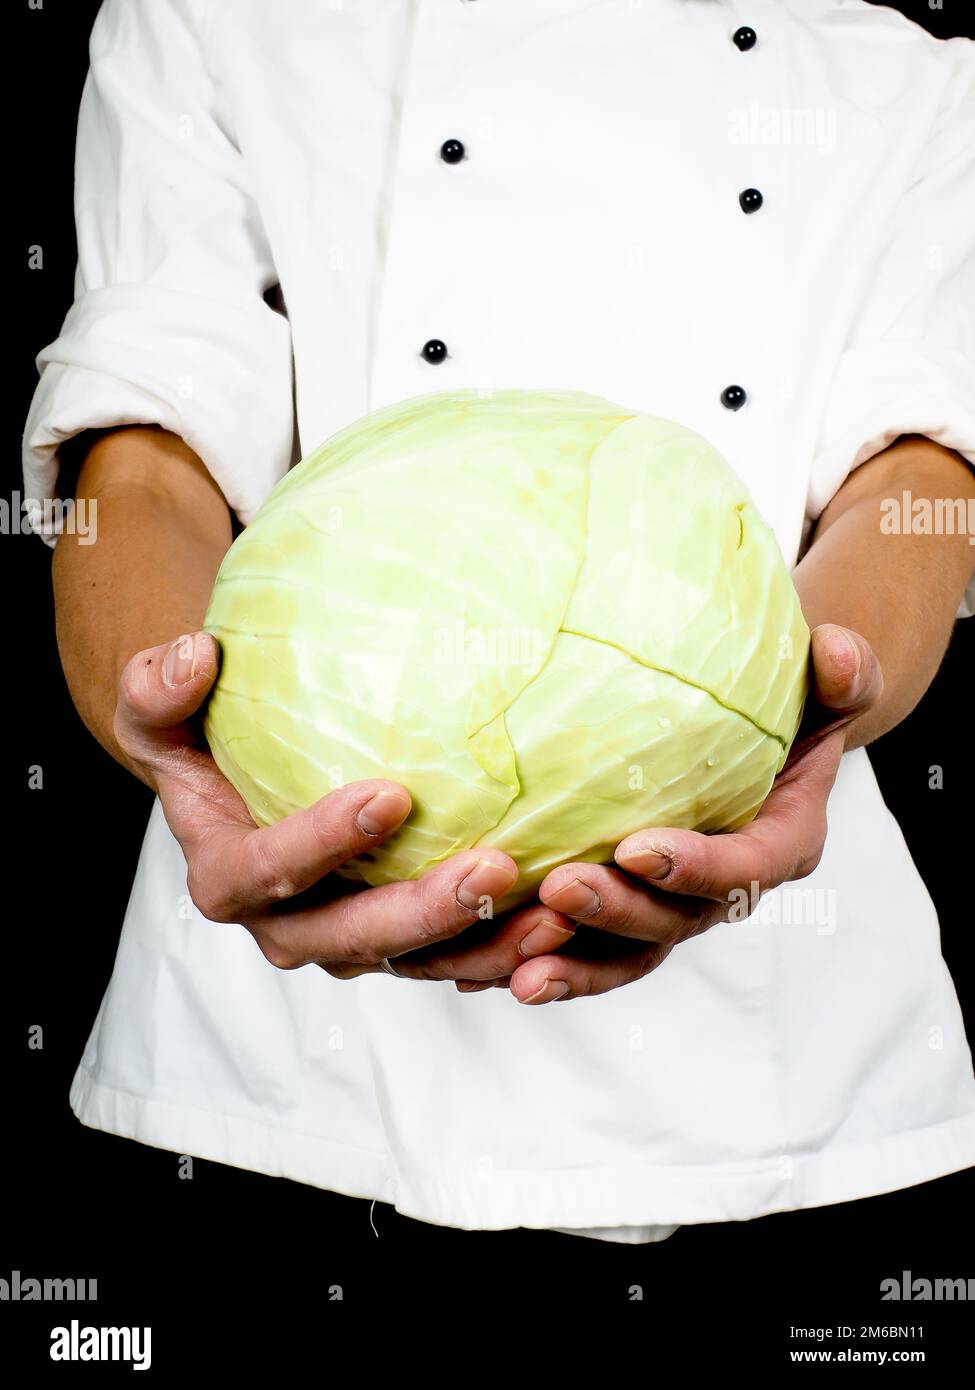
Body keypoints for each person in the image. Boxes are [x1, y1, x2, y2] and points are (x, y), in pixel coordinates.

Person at [24, 0, 975, 1243]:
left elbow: (916, 476)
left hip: (790, 1086)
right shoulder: (214, 18)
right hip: (277, 1079)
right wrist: (165, 724)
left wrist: (802, 715)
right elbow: (146, 458)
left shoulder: (903, 80)